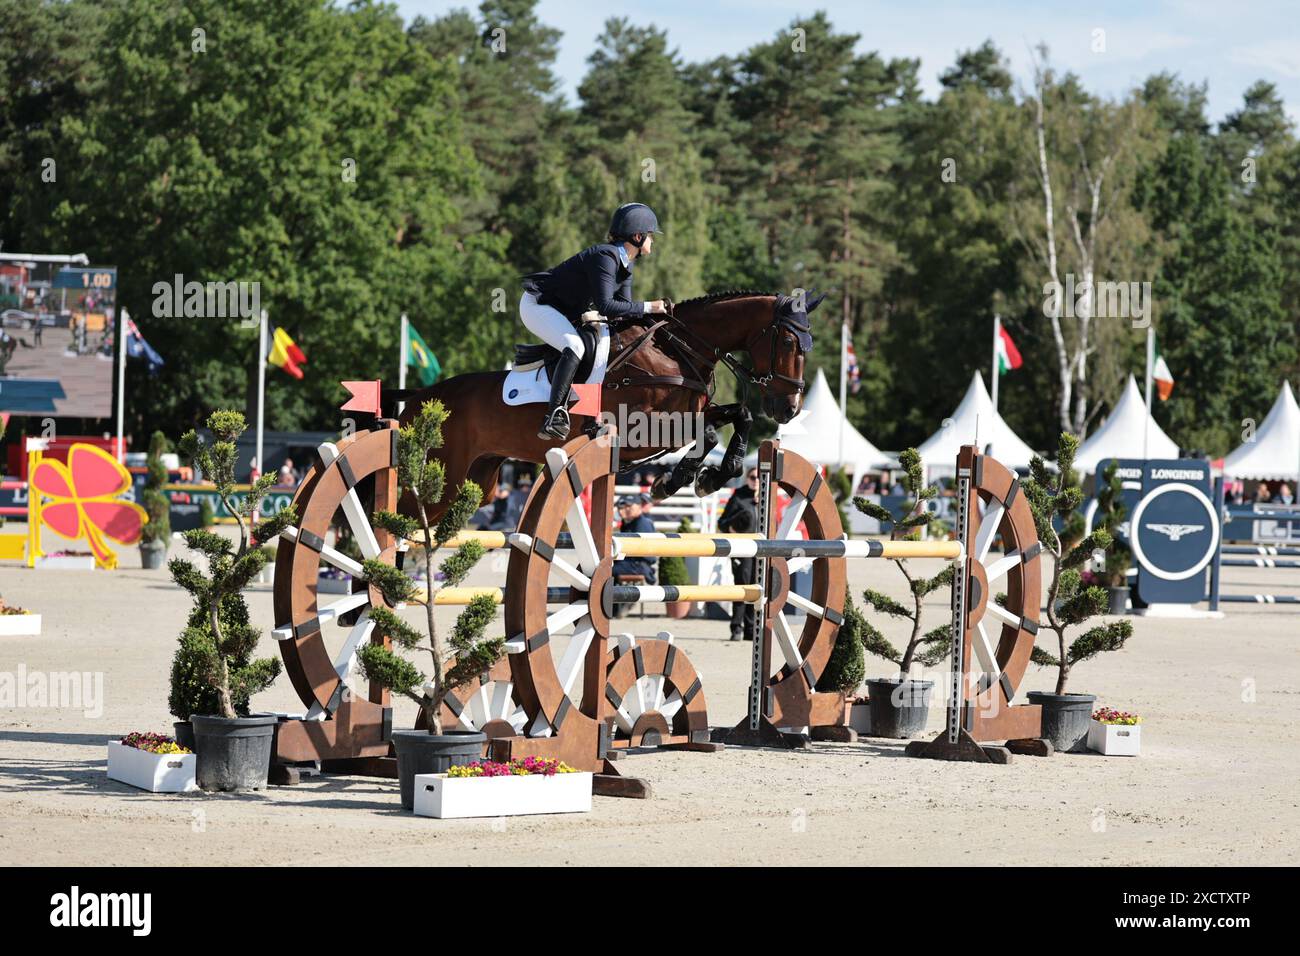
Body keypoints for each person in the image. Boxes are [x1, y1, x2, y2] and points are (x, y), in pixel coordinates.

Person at [519, 203, 670, 441]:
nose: (653, 240)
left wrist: (655, 318)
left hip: (563, 310)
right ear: (638, 236)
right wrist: (649, 305)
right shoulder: (605, 257)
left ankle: (589, 421)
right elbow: (607, 306)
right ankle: (554, 415)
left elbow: (622, 313)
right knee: (575, 346)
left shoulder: (625, 265)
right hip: (538, 306)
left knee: (601, 347)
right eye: (650, 235)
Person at [718, 468, 759, 641]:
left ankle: (751, 629)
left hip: (761, 549)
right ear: (747, 479)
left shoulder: (768, 497)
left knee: (755, 589)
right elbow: (722, 522)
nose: (756, 480)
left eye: (758, 477)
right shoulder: (739, 496)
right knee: (741, 587)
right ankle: (736, 628)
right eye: (752, 477)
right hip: (742, 549)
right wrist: (731, 529)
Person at [611, 494, 657, 585]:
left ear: (639, 506)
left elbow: (645, 553)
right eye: (622, 506)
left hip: (638, 565)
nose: (624, 509)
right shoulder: (629, 522)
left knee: (604, 570)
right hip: (632, 562)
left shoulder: (642, 523)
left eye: (629, 506)